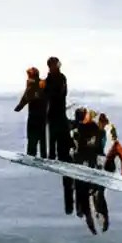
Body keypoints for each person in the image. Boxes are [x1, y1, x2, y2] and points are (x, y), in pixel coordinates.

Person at [43, 57, 72, 214]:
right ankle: (53, 155)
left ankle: (59, 155)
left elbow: (57, 93)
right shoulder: (53, 78)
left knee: (59, 138)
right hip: (55, 113)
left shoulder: (60, 78)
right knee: (53, 136)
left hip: (58, 114)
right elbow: (49, 94)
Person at [69, 106, 105, 234]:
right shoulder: (79, 126)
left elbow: (97, 141)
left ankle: (85, 206)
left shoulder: (89, 126)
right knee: (80, 186)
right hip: (84, 157)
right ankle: (82, 207)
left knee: (83, 186)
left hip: (87, 157)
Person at [95, 113, 122, 232]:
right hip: (99, 167)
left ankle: (103, 216)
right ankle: (100, 213)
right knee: (97, 192)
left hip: (106, 169)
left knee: (99, 192)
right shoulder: (100, 135)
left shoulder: (114, 144)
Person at [14, 66, 47, 157]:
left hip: (34, 116)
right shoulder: (43, 83)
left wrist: (19, 107)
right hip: (43, 115)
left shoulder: (31, 84)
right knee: (42, 138)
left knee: (32, 138)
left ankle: (31, 154)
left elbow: (25, 98)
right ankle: (44, 156)